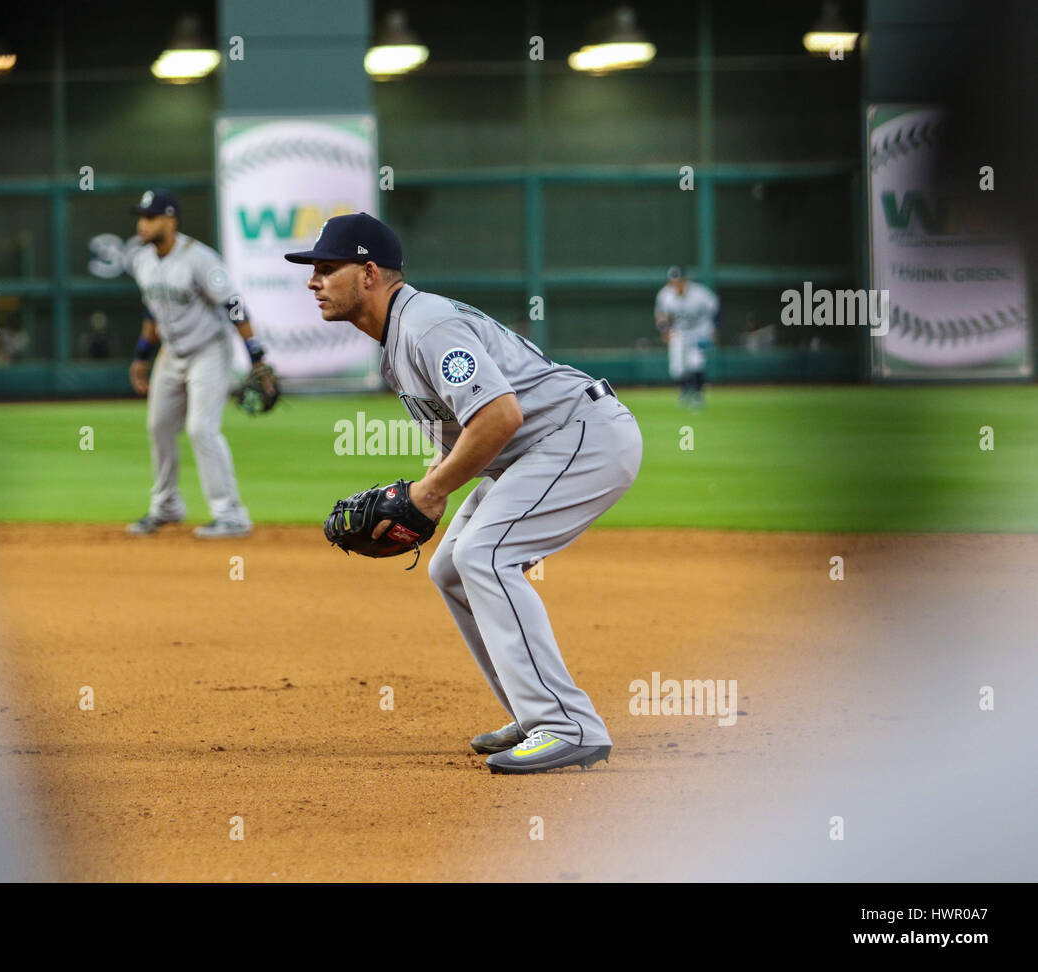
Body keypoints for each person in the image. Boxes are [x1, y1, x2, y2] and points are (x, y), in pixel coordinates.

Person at [286, 213, 643, 775]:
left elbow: (501, 415)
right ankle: (534, 715)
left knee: (487, 553)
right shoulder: (399, 339)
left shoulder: (425, 326)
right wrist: (427, 487)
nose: (314, 281)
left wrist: (429, 493)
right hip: (544, 447)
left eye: (328, 269)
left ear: (371, 273)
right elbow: (464, 432)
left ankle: (567, 725)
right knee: (451, 565)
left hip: (581, 436)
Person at [125, 189, 266, 539]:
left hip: (208, 351)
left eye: (150, 217)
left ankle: (231, 514)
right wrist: (142, 357)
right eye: (141, 217)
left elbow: (233, 303)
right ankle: (167, 505)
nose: (142, 224)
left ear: (170, 220)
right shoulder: (142, 260)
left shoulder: (200, 258)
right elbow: (152, 312)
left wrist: (257, 357)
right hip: (171, 354)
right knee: (158, 427)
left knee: (201, 428)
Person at [654, 265, 719, 408]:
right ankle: (685, 390)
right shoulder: (665, 294)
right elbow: (661, 315)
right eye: (673, 281)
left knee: (696, 362)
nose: (676, 284)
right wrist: (665, 331)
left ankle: (698, 394)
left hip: (700, 329)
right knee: (677, 368)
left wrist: (714, 330)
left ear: (685, 280)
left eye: (679, 281)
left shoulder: (699, 293)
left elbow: (715, 308)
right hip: (679, 331)